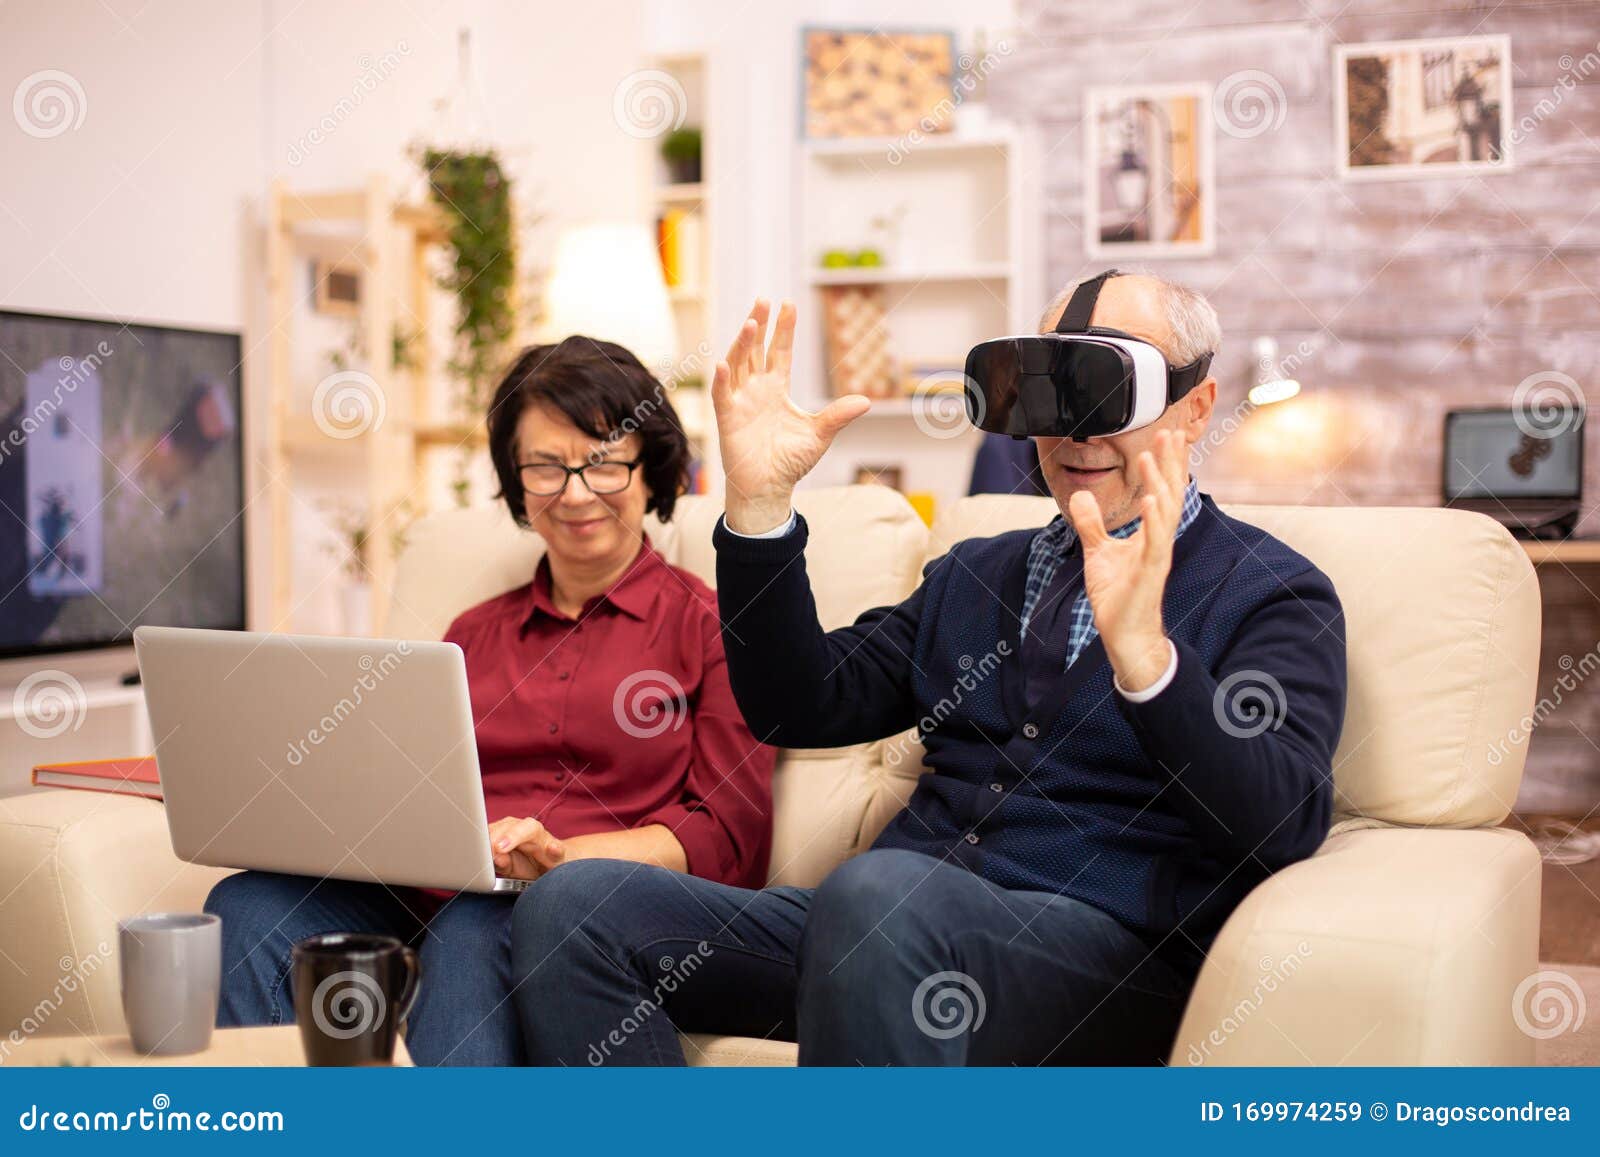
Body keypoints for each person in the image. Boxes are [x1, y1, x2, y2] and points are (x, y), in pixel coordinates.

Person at [505, 272, 1348, 1066]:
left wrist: (1151, 666)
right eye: (1055, 391)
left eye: (1110, 393)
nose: (1077, 433)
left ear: (1196, 408)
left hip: (1103, 963)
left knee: (881, 899)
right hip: (872, 933)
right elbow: (800, 706)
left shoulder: (1271, 592)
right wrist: (759, 510)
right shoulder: (977, 572)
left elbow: (1283, 823)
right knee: (569, 909)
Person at [205, 337, 776, 1065]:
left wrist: (560, 857)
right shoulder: (469, 636)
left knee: (483, 921)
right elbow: (402, 794)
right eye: (545, 466)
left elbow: (729, 839)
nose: (574, 492)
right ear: (516, 479)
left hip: (585, 916)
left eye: (602, 460)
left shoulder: (712, 628)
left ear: (651, 469)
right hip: (428, 897)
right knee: (246, 905)